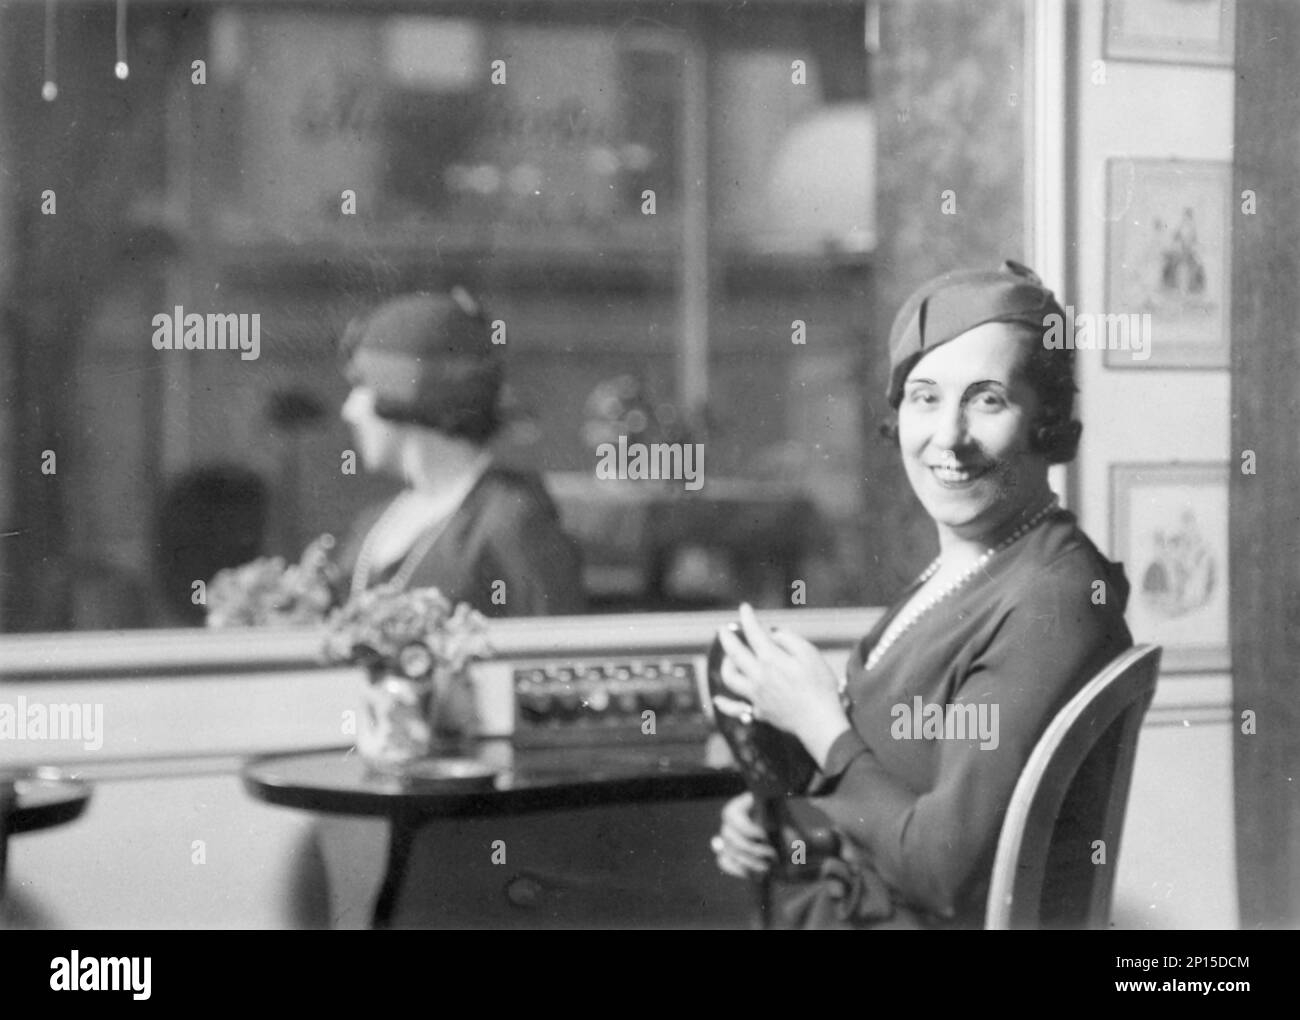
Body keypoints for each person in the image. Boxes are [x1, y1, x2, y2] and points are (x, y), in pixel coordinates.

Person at [709, 261, 1133, 929]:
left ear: (1046, 419)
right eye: (925, 397)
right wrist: (791, 831)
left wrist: (819, 723)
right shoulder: (964, 570)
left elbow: (943, 871)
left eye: (988, 399)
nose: (949, 439)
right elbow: (899, 798)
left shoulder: (1054, 600)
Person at [333, 288, 584, 617]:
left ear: (405, 398)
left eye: (362, 387)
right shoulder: (375, 524)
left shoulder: (510, 521)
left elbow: (551, 647)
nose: (349, 410)